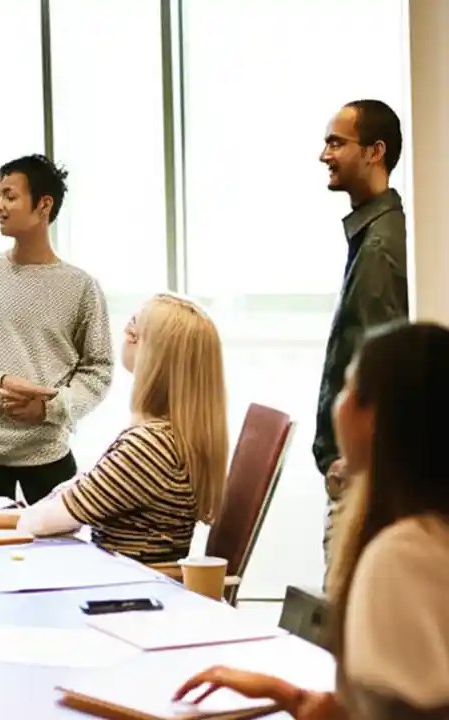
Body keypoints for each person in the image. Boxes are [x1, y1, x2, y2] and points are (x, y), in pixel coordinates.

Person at [176, 322, 449, 720]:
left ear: (375, 417)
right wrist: (291, 696)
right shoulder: (427, 539)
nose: (339, 405)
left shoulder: (403, 556)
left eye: (348, 387)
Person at [0, 294, 227, 564]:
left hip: (124, 587)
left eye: (135, 331)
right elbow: (71, 501)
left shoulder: (149, 447)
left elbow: (49, 519)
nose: (128, 331)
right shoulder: (168, 438)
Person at [0, 154, 113, 502]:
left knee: (57, 539)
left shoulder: (81, 286)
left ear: (44, 205)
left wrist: (49, 408)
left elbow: (99, 369)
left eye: (9, 196)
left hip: (49, 453)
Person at [313, 99, 408, 575]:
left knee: (347, 607)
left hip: (361, 478)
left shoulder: (380, 247)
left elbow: (384, 371)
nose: (324, 155)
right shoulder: (374, 235)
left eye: (336, 142)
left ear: (375, 152)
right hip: (359, 472)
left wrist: (354, 463)